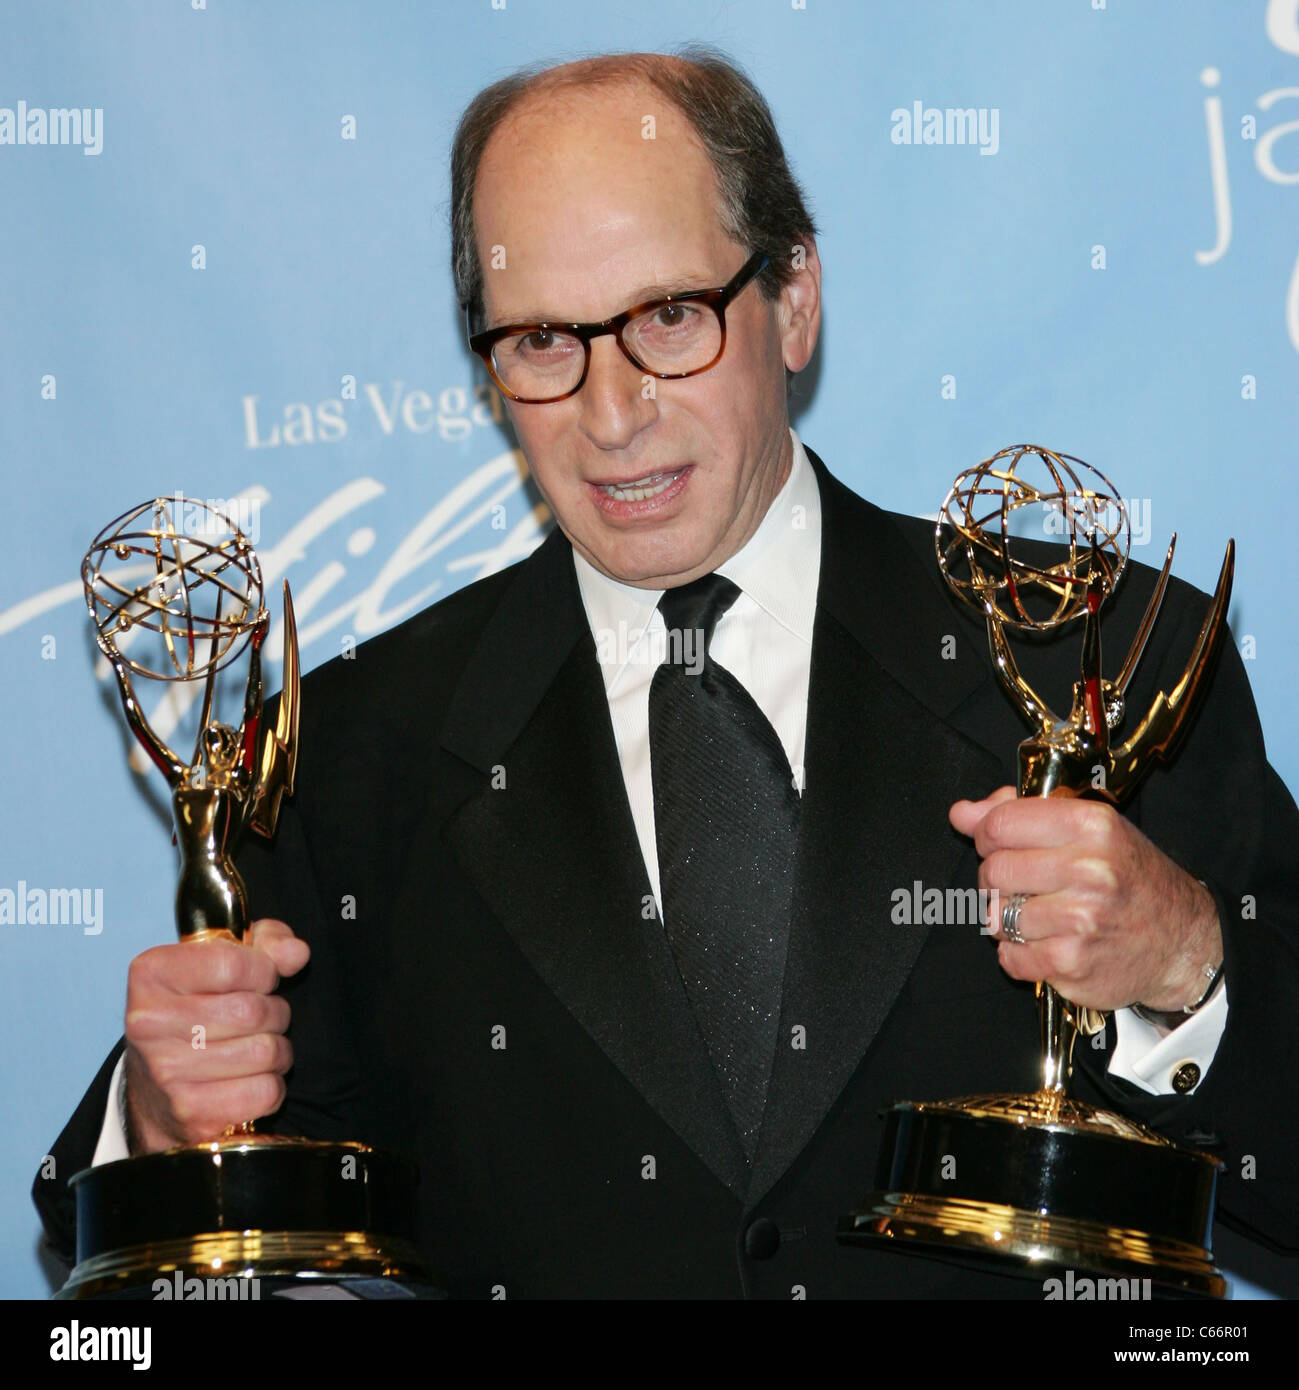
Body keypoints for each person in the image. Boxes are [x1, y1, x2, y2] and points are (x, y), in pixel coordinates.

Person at [35, 48, 1299, 1298]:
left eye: (669, 318)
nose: (613, 409)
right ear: (489, 367)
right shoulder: (350, 749)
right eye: (543, 340)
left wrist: (1190, 967)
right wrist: (158, 1118)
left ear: (793, 299)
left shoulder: (1100, 655)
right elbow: (145, 1240)